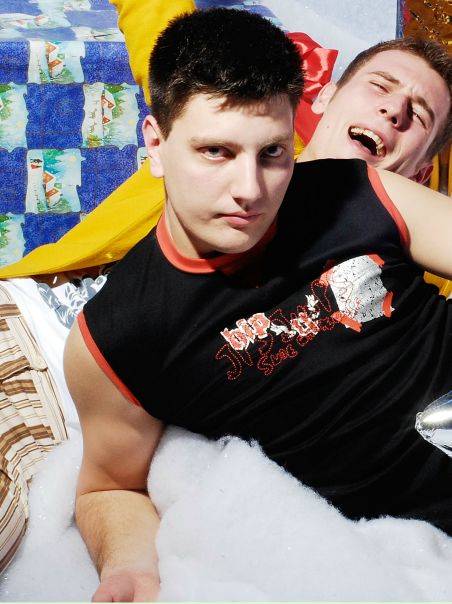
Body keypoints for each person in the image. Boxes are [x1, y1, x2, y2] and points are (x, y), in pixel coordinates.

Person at [1, 0, 452, 580]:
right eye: (216, 152)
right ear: (155, 145)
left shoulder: (361, 190)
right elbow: (109, 487)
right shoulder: (119, 334)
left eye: (273, 154)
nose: (250, 190)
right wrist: (129, 570)